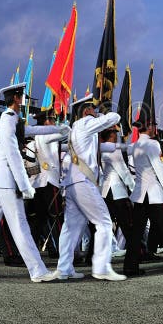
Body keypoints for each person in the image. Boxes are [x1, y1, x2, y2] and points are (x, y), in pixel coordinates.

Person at [0, 82, 62, 283]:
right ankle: (37, 270)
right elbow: (13, 155)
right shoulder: (8, 120)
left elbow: (32, 130)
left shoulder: (12, 119)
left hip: (1, 181)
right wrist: (24, 185)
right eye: (23, 97)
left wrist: (58, 129)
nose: (24, 100)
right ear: (17, 98)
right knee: (20, 226)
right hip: (8, 180)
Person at [56, 94, 125, 282]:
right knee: (104, 222)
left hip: (72, 183)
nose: (95, 111)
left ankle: (64, 268)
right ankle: (101, 268)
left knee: (71, 228)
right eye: (93, 109)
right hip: (83, 182)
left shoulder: (75, 128)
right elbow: (115, 117)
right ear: (86, 111)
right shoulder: (86, 123)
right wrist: (103, 114)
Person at [123, 118, 163, 276]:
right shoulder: (152, 144)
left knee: (136, 234)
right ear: (148, 127)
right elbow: (160, 169)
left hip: (140, 195)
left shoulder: (135, 145)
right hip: (154, 194)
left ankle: (130, 266)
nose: (155, 128)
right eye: (153, 125)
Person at [27, 109, 68, 257]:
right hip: (49, 183)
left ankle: (32, 251)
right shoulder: (45, 135)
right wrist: (64, 123)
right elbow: (65, 132)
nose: (54, 122)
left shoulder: (42, 137)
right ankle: (63, 251)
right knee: (57, 218)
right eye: (51, 119)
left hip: (41, 184)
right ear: (45, 122)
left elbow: (62, 145)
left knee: (39, 220)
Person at [99, 126, 134, 256]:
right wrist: (134, 188)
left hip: (105, 191)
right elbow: (123, 170)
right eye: (115, 133)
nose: (117, 136)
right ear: (111, 135)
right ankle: (137, 252)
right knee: (127, 223)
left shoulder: (102, 148)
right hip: (117, 190)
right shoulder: (112, 148)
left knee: (104, 224)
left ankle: (93, 254)